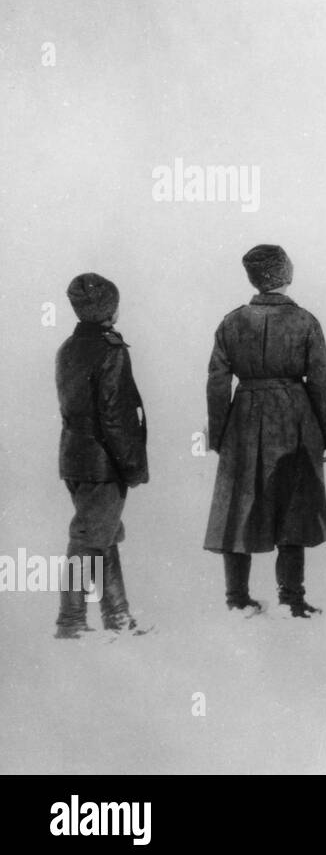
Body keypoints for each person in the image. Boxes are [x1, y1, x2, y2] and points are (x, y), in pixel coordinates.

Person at [204, 245, 326, 617]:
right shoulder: (305, 321)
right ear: (287, 274)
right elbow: (321, 383)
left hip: (244, 420)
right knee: (293, 506)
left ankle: (237, 599)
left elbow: (217, 383)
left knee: (239, 506)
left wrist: (218, 435)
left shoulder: (231, 322)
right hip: (294, 418)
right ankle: (292, 600)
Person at [54, 273, 149, 639]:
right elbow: (115, 417)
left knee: (102, 534)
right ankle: (71, 622)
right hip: (103, 464)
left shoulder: (67, 349)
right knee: (88, 539)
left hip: (73, 460)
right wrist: (133, 466)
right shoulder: (112, 351)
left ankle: (119, 618)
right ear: (112, 309)